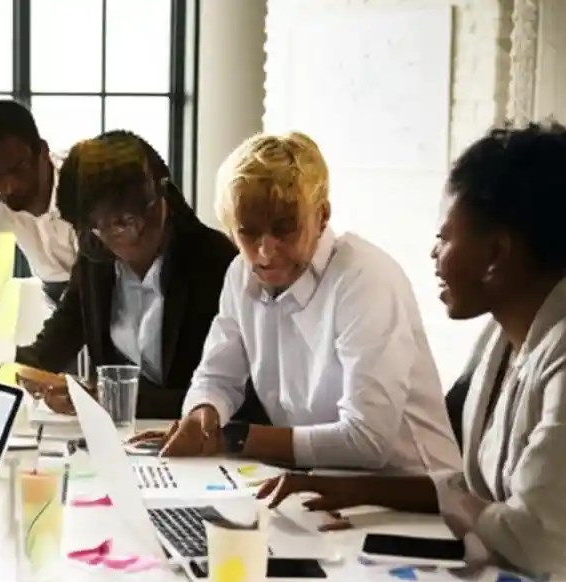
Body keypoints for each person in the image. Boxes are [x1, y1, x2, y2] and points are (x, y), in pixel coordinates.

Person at [260, 123, 566, 582]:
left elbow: (536, 539)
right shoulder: (507, 335)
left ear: (497, 253)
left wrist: (457, 505)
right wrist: (349, 488)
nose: (433, 254)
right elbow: (475, 496)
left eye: (444, 237)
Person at [156, 131, 459, 474]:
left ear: (322, 215)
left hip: (417, 501)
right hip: (325, 486)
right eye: (249, 233)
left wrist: (234, 437)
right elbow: (217, 377)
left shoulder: (364, 278)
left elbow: (367, 442)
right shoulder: (241, 274)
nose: (266, 252)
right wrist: (202, 417)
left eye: (285, 229)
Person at [12, 130, 243, 420]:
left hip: (196, 442)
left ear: (159, 199)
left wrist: (111, 398)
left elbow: (225, 393)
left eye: (123, 222)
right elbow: (51, 348)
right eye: (97, 225)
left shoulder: (213, 262)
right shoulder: (96, 258)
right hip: (120, 440)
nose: (113, 237)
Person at [0, 99, 77, 325]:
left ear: (43, 152)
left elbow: (100, 292)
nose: (7, 187)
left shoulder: (79, 184)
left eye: (17, 170)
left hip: (118, 293)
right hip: (55, 296)